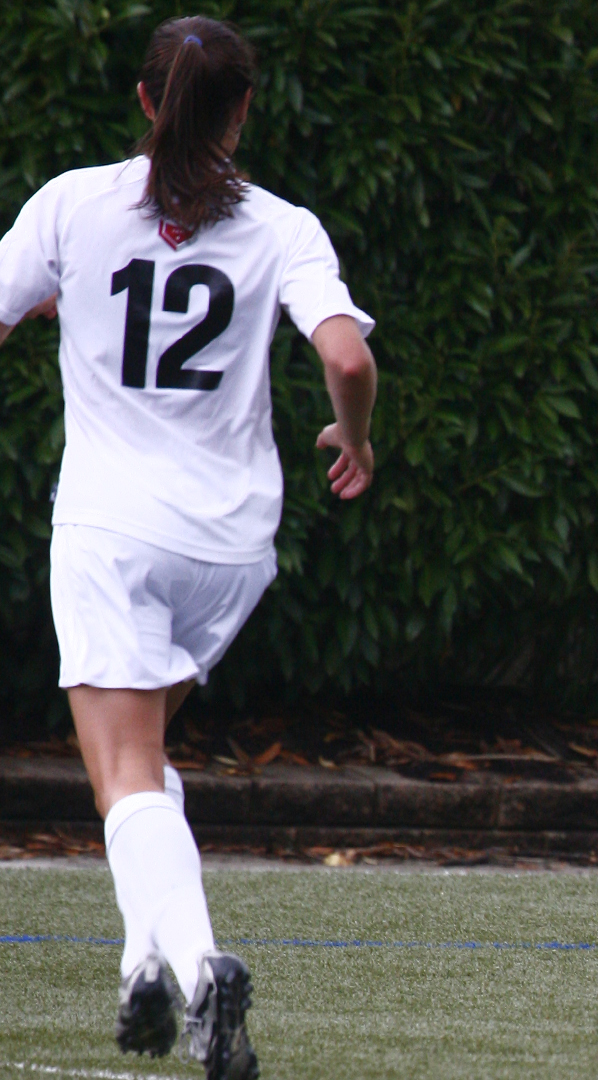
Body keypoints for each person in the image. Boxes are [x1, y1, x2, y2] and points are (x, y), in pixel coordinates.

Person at [0, 16, 377, 1075]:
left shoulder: (74, 203)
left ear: (145, 101)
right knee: (148, 760)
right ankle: (143, 972)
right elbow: (344, 359)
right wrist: (352, 438)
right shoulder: (283, 226)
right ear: (245, 110)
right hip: (230, 547)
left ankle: (201, 963)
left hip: (114, 532)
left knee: (118, 775)